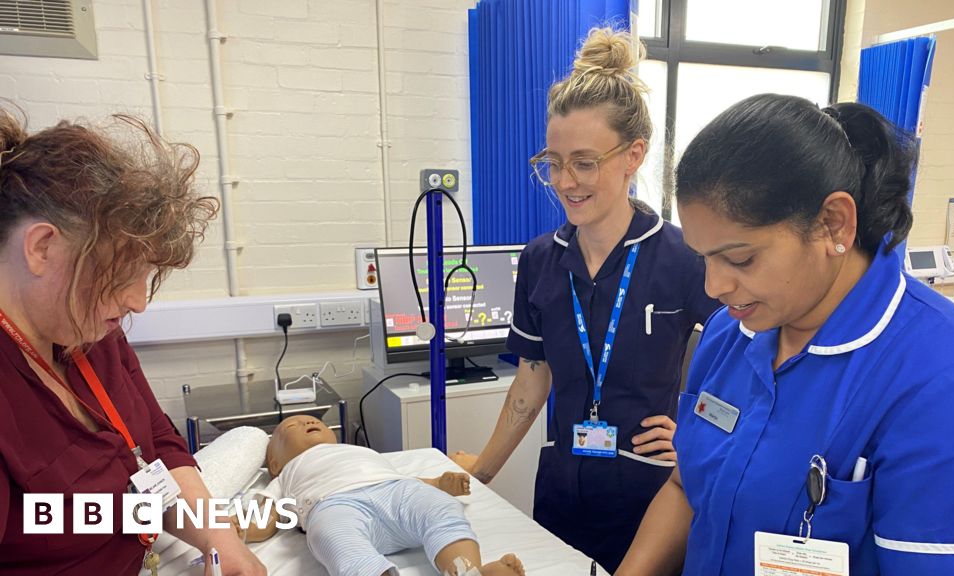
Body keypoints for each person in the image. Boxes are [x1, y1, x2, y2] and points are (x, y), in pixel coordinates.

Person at [617, 94, 954, 575]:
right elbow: (685, 487)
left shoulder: (947, 380)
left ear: (833, 222)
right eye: (702, 257)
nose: (714, 286)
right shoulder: (729, 334)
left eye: (740, 259)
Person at [450, 28, 719, 573]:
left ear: (632, 156)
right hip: (561, 489)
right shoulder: (540, 260)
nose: (565, 181)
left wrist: (697, 432)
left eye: (584, 162)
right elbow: (531, 379)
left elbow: (744, 363)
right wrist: (482, 471)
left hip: (653, 495)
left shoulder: (685, 257)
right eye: (553, 162)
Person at [0, 108, 265, 575]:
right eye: (123, 274)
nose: (138, 302)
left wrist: (224, 546)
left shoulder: (87, 328)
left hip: (144, 539)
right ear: (42, 247)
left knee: (251, 437)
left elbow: (157, 443)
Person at [237, 415, 525, 576]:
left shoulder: (360, 452)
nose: (306, 424)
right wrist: (240, 527)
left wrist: (440, 483)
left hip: (393, 491)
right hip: (335, 505)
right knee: (331, 537)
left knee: (440, 509)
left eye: (315, 421)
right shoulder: (287, 473)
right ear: (275, 464)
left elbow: (404, 479)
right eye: (291, 427)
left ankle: (467, 571)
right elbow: (270, 514)